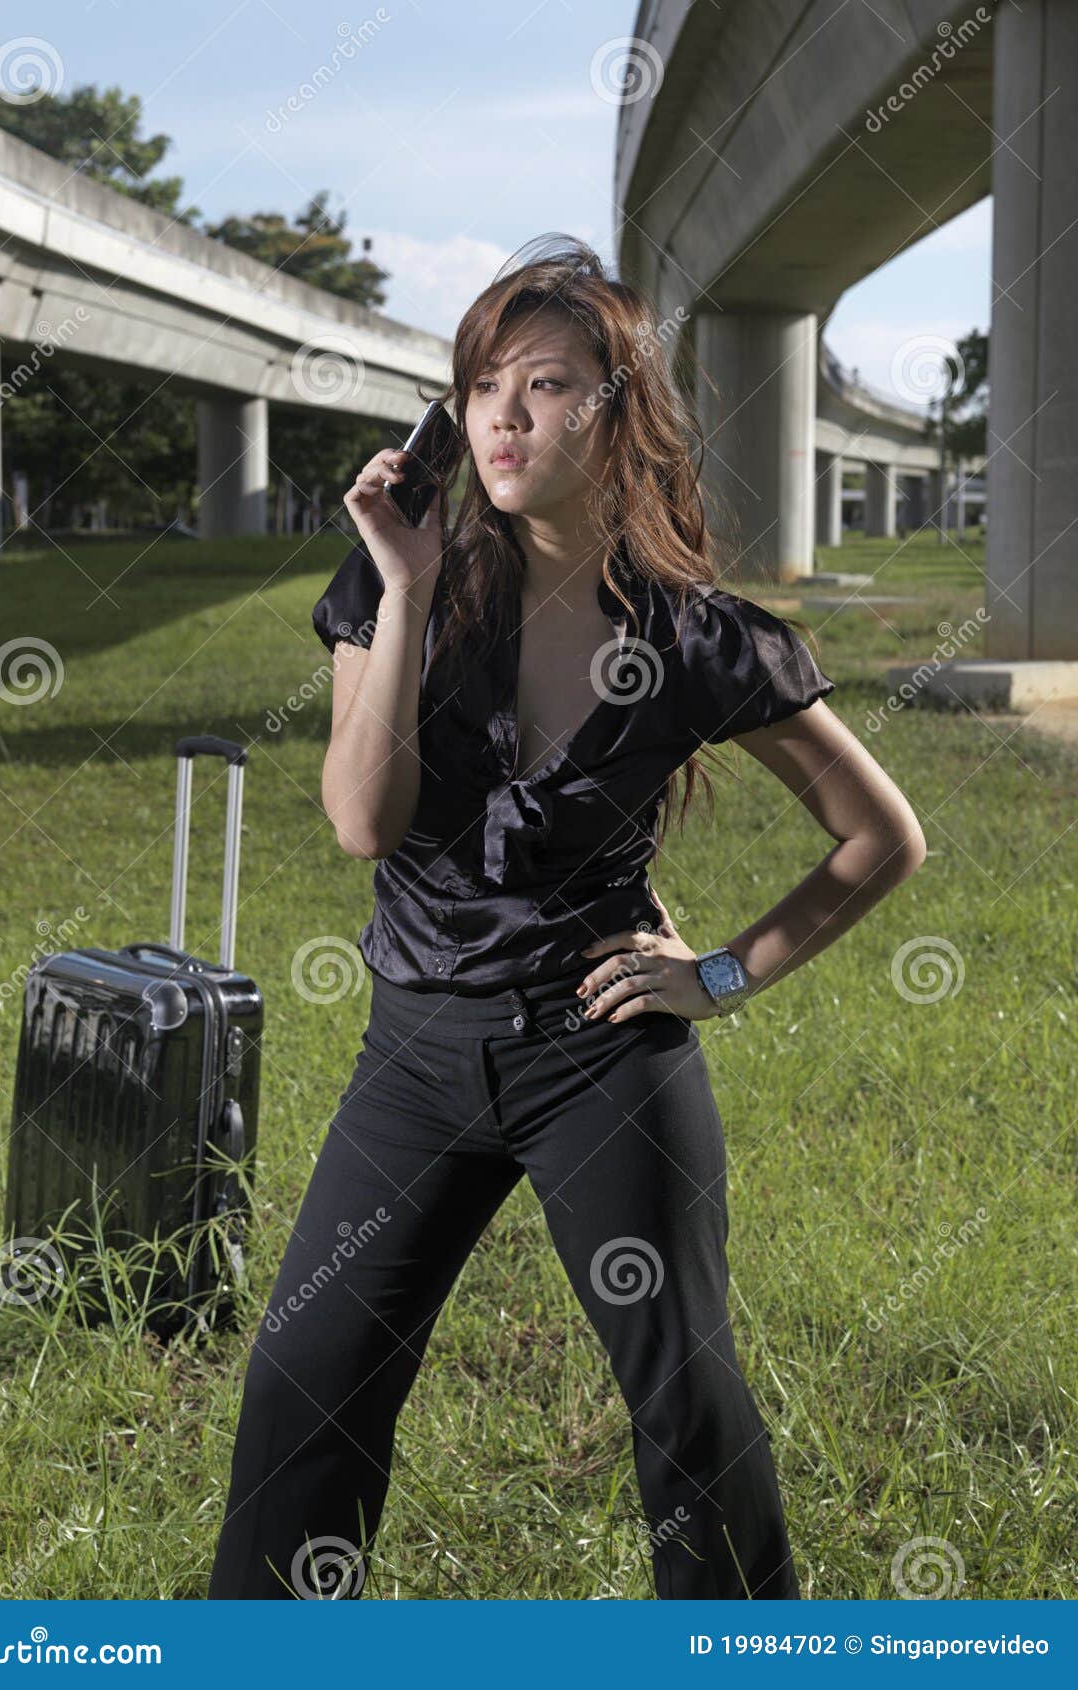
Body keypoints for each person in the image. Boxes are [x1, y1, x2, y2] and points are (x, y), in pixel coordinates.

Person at [207, 234, 926, 1601]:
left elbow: (883, 835)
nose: (503, 416)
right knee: (308, 1374)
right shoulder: (400, 579)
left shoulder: (701, 638)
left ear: (619, 413)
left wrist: (713, 973)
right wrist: (408, 588)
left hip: (600, 1054)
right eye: (483, 384)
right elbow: (362, 821)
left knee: (689, 1402)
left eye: (545, 385)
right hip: (414, 1058)